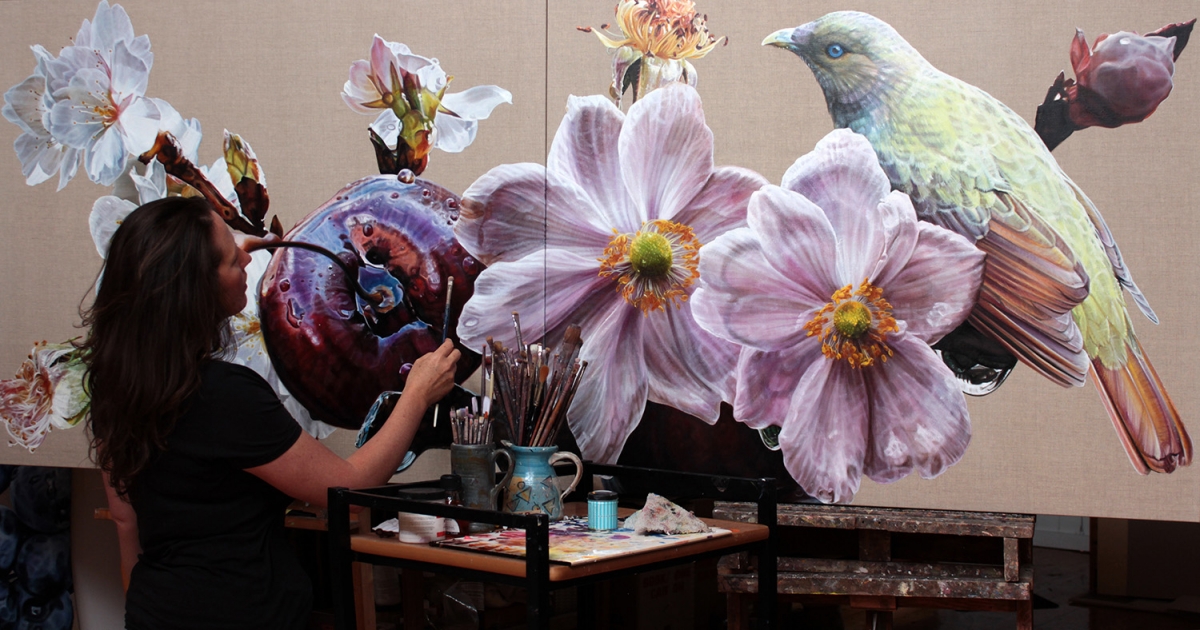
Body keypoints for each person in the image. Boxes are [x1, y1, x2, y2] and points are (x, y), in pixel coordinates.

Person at [80, 196, 460, 630]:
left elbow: (126, 520)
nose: (246, 256)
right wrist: (416, 395)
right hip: (244, 612)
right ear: (196, 291)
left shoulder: (116, 389)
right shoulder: (222, 396)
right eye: (229, 258)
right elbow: (348, 492)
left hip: (154, 610)